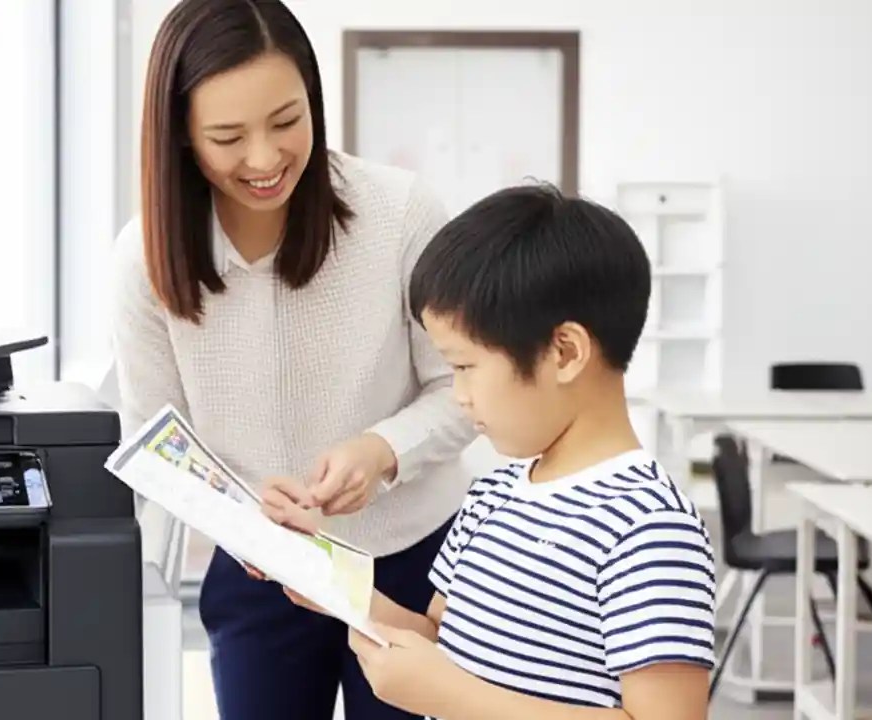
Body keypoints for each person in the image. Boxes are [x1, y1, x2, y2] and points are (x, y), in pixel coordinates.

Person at [111, 0, 477, 717]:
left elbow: (461, 390)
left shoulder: (399, 213)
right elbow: (156, 442)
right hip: (262, 573)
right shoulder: (145, 259)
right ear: (181, 136)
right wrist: (245, 522)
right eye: (227, 136)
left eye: (286, 121)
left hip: (411, 559)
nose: (264, 158)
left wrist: (382, 450)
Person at [268, 185, 716, 719]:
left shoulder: (649, 528)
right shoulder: (493, 494)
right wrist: (329, 580)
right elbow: (441, 637)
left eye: (465, 366)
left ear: (564, 352)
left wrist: (455, 699)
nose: (458, 395)